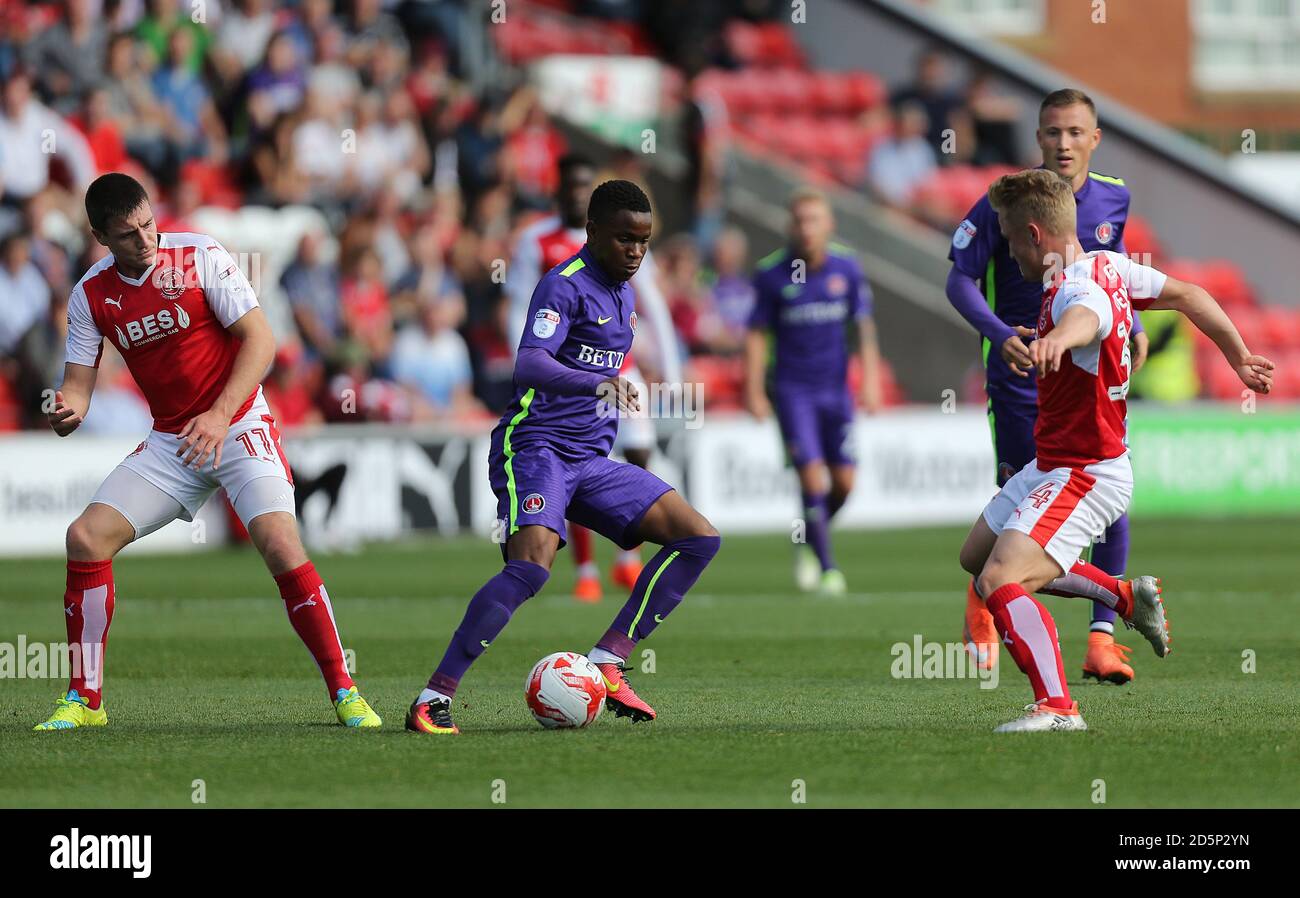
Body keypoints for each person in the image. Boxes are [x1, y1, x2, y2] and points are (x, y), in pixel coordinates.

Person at [33, 173, 381, 731]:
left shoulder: (198, 255)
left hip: (239, 424)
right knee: (84, 537)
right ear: (100, 236)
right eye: (127, 235)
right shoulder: (90, 296)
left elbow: (261, 340)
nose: (146, 241)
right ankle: (85, 699)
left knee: (278, 542)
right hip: (173, 442)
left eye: (149, 224)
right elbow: (76, 385)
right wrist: (65, 409)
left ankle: (345, 690)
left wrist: (220, 416)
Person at [959, 168, 1273, 732]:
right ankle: (1124, 596)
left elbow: (1089, 317)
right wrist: (1239, 356)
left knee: (1001, 581)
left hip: (1086, 471)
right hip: (1053, 463)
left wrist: (1059, 338)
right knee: (976, 558)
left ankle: (1057, 709)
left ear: (1034, 235)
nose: (1007, 251)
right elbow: (1190, 294)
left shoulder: (1077, 290)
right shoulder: (1109, 265)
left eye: (1007, 239)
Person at [406, 180, 721, 735]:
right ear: (593, 232)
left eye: (644, 242)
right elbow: (529, 364)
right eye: (625, 239)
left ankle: (608, 660)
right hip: (535, 446)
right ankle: (433, 698)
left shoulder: (626, 292)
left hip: (590, 459)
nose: (635, 252)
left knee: (697, 537)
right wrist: (599, 380)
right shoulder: (563, 287)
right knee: (530, 566)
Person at [946, 88, 1150, 683]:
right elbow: (958, 280)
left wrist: (1130, 321)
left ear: (1095, 138)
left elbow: (1108, 268)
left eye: (1074, 132)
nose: (1063, 143)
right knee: (1018, 503)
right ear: (1038, 137)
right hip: (1020, 376)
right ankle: (986, 597)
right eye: (1052, 132)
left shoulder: (1114, 197)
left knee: (1109, 498)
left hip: (1088, 374)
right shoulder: (1007, 200)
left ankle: (1101, 640)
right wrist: (995, 332)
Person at [508, 154, 680, 602]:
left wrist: (672, 369)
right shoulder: (537, 241)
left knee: (638, 451)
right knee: (575, 464)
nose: (576, 190)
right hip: (565, 371)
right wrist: (526, 365)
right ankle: (586, 568)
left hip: (619, 371)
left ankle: (627, 560)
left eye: (584, 183)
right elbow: (518, 307)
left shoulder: (626, 236)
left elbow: (654, 303)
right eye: (570, 184)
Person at [744, 188, 881, 595]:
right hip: (792, 391)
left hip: (836, 391)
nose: (806, 228)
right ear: (790, 226)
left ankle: (806, 534)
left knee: (844, 485)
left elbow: (864, 326)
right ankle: (827, 569)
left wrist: (870, 379)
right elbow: (754, 335)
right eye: (800, 220)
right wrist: (753, 390)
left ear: (829, 225)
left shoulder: (847, 268)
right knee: (812, 481)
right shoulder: (771, 274)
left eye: (814, 220)